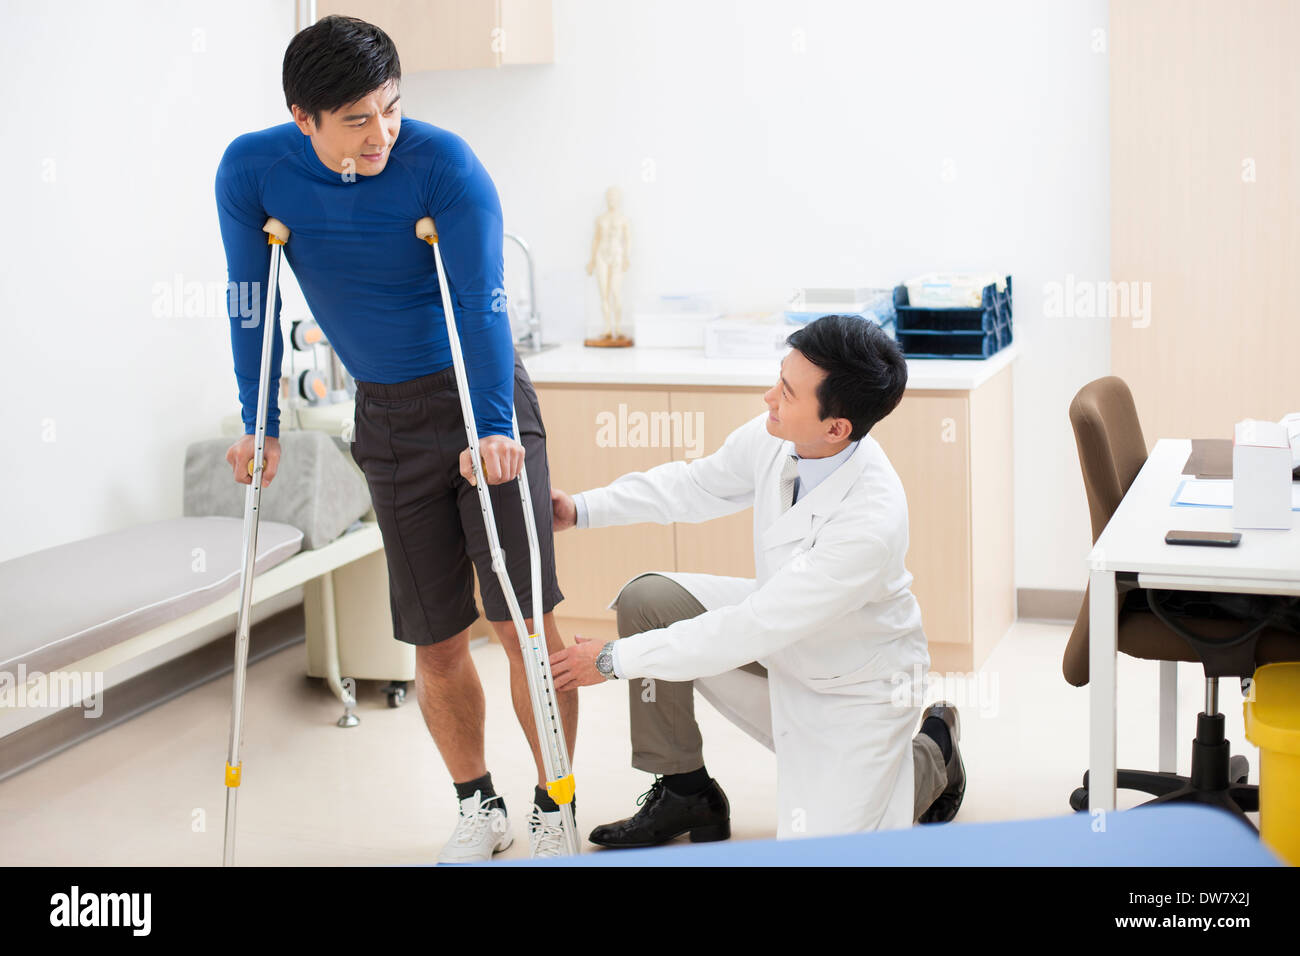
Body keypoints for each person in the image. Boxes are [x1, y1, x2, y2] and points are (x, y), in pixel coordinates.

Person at [215, 15, 573, 861]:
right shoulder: (253, 170)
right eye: (357, 120)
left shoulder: (441, 164)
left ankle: (554, 801)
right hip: (385, 414)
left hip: (480, 402)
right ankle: (476, 806)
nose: (381, 135)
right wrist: (257, 422)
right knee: (435, 633)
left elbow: (484, 302)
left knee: (524, 621)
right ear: (303, 117)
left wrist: (493, 428)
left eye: (391, 109)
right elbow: (249, 301)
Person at [549, 315, 965, 842]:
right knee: (649, 601)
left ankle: (935, 752)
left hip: (855, 689)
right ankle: (686, 793)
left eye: (787, 392)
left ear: (836, 427)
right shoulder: (781, 435)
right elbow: (696, 485)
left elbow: (750, 628)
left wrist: (612, 660)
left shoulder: (870, 522)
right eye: (778, 378)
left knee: (831, 847)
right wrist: (582, 509)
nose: (769, 397)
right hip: (779, 640)